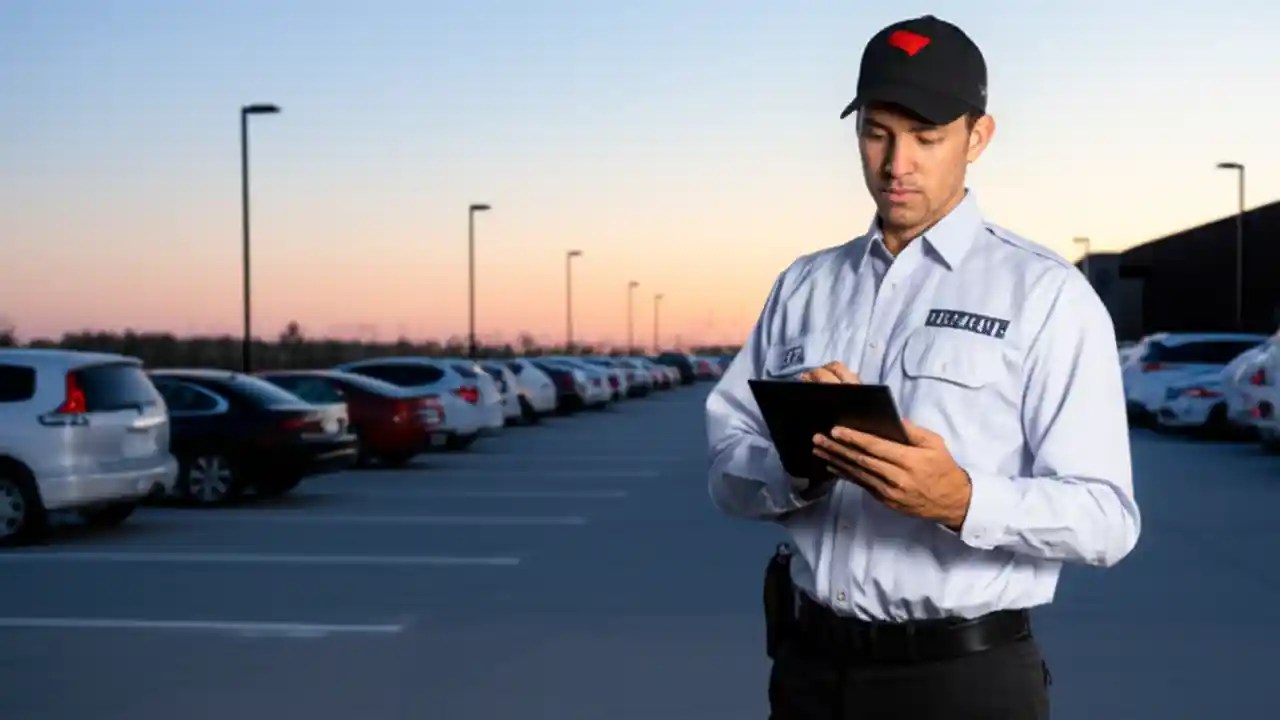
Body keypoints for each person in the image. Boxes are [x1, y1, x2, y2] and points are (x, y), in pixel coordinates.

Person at [704, 14, 1141, 720]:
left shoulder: (1046, 295)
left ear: (978, 137)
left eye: (926, 137)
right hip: (810, 670)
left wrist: (963, 499)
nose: (895, 163)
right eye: (876, 132)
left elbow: (1108, 520)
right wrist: (799, 468)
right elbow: (727, 468)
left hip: (962, 684)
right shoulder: (803, 286)